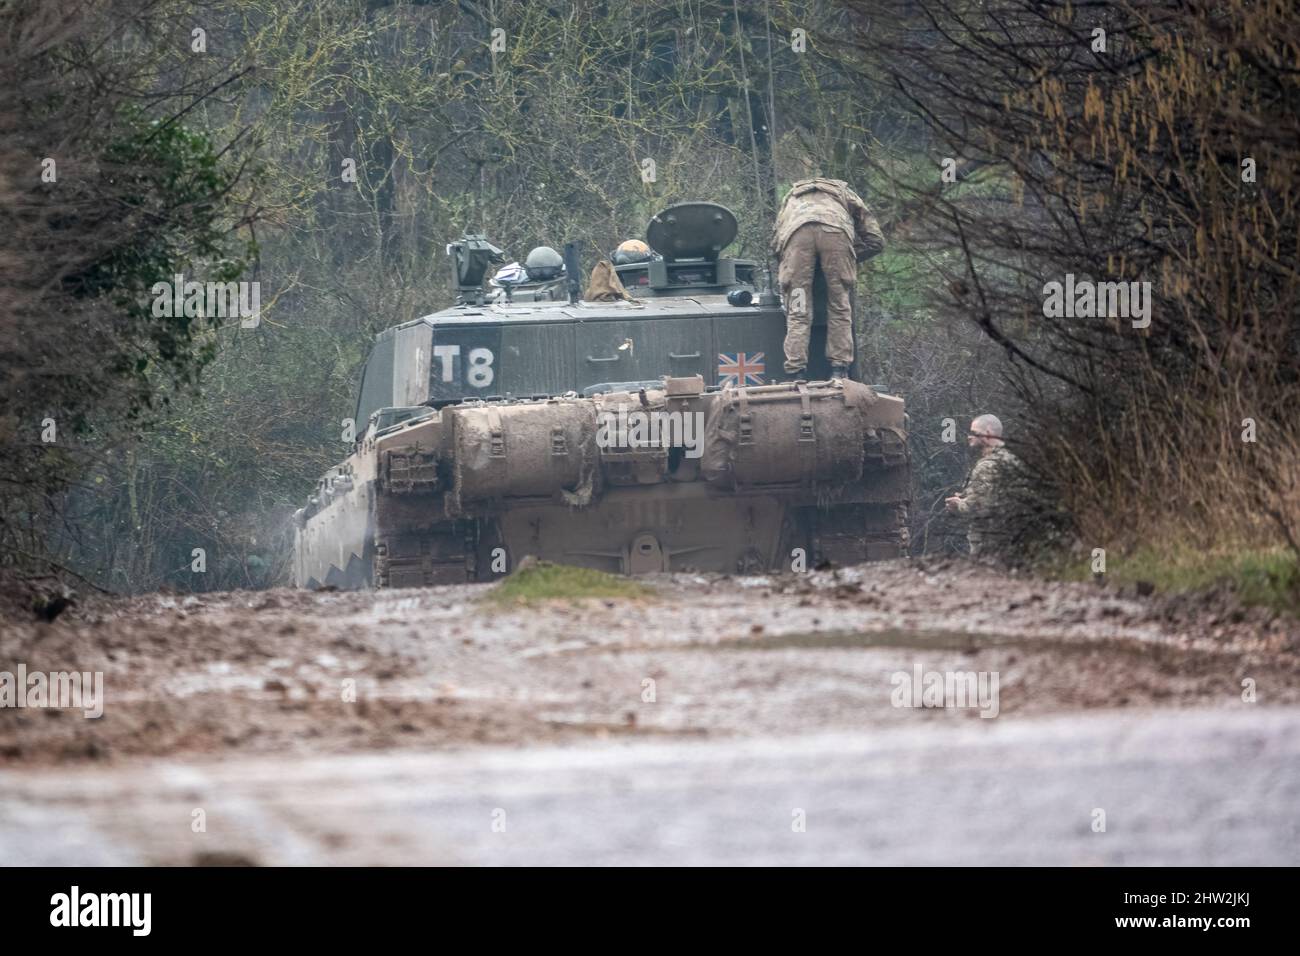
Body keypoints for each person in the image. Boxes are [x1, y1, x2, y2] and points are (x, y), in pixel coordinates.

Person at [771, 177, 884, 380]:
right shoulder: (845, 193)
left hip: (797, 238)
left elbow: (776, 244)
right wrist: (849, 259)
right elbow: (875, 239)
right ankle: (839, 370)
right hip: (835, 235)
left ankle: (796, 371)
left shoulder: (791, 196)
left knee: (798, 309)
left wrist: (801, 267)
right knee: (839, 306)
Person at [945, 414, 1020, 558]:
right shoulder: (1011, 458)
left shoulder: (987, 466)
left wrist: (958, 504)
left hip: (988, 540)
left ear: (988, 433)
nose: (969, 436)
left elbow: (979, 507)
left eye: (974, 432)